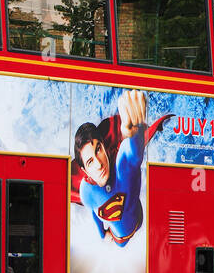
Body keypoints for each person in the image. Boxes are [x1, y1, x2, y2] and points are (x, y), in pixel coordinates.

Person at [71, 90, 168, 247]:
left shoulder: (122, 167)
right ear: (85, 170)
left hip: (138, 216)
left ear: (104, 146)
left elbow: (131, 154)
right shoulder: (86, 190)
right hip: (119, 238)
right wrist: (103, 234)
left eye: (98, 150)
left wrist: (133, 133)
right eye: (90, 162)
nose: (99, 163)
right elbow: (94, 209)